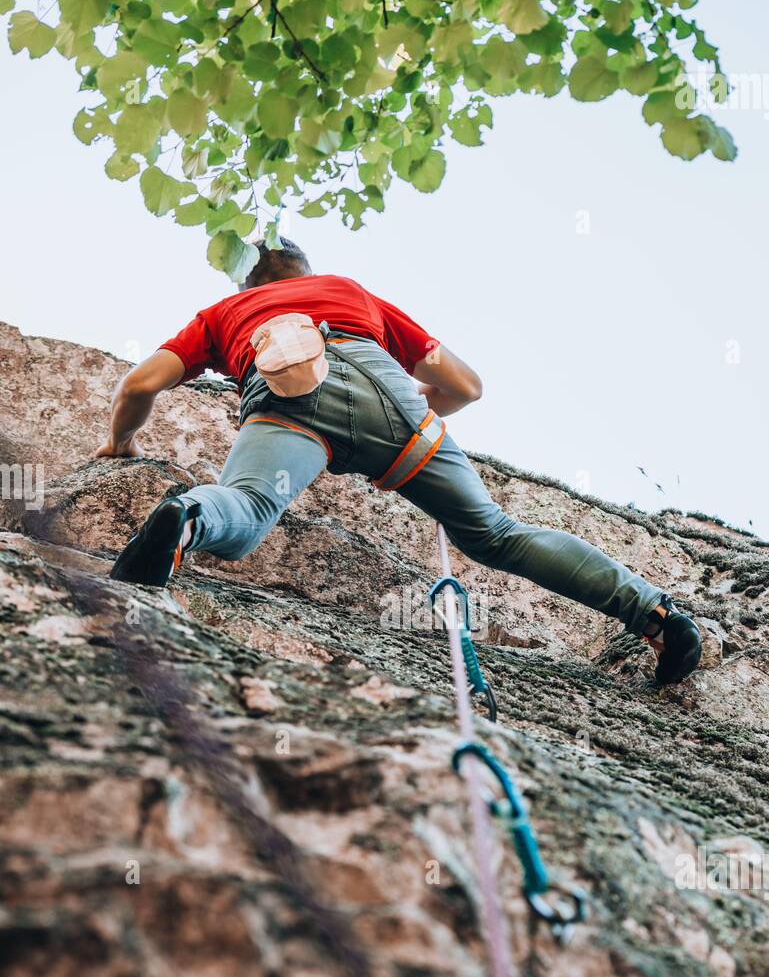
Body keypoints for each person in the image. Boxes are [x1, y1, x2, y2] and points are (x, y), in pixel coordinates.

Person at [100, 238, 701, 684]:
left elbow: (138, 384)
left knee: (250, 507)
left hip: (287, 399)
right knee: (494, 533)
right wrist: (408, 419)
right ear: (305, 269)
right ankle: (655, 614)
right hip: (389, 394)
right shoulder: (350, 292)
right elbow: (466, 386)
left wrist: (120, 443)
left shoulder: (224, 314)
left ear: (246, 284)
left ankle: (186, 519)